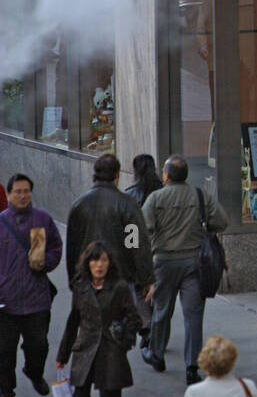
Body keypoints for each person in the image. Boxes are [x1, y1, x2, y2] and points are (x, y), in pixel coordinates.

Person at [141, 155, 228, 384]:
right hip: (193, 263)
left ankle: (156, 354)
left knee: (161, 310)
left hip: (164, 262)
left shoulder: (155, 198)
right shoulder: (200, 195)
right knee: (193, 316)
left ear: (166, 175)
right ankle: (192, 367)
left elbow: (144, 229)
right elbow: (222, 221)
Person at [56, 241, 141, 397]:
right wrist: (62, 354)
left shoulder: (119, 287)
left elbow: (134, 318)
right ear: (88, 263)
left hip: (110, 350)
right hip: (85, 351)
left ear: (109, 263)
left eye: (103, 260)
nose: (99, 265)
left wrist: (123, 339)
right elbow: (74, 321)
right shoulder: (81, 287)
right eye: (95, 260)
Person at [65, 154, 154, 341]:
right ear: (117, 176)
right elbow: (136, 244)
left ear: (94, 175)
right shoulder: (127, 205)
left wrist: (74, 279)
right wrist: (145, 278)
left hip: (88, 276)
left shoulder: (79, 205)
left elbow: (72, 246)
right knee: (118, 329)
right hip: (120, 276)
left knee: (91, 328)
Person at [0, 174, 63, 397]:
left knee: (39, 345)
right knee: (4, 351)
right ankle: (6, 391)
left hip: (36, 299)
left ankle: (34, 372)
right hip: (5, 301)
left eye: (26, 191)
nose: (23, 195)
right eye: (18, 191)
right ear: (8, 195)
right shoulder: (1, 223)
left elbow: (56, 247)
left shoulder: (43, 219)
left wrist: (45, 261)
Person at [124, 154, 163, 348]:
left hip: (139, 249)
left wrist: (130, 250)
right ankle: (155, 325)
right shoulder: (163, 191)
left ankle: (147, 324)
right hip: (161, 248)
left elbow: (129, 229)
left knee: (140, 290)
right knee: (160, 292)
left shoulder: (130, 195)